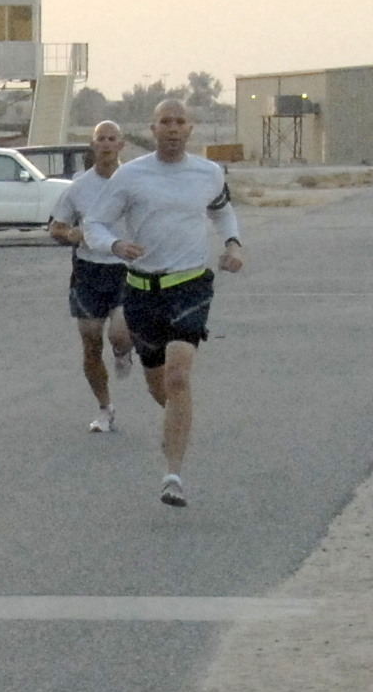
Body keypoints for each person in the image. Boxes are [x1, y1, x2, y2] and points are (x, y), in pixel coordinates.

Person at [75, 100, 246, 505]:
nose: (172, 129)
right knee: (161, 386)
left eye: (179, 122)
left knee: (178, 376)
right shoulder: (131, 176)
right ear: (152, 129)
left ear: (191, 129)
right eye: (164, 122)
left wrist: (233, 243)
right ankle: (177, 422)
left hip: (189, 284)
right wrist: (114, 243)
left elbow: (222, 212)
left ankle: (173, 476)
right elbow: (94, 223)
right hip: (141, 289)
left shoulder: (208, 172)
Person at [39, 117, 134, 432]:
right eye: (100, 139)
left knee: (118, 333)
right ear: (93, 146)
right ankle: (105, 408)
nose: (106, 145)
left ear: (121, 145)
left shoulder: (134, 181)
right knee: (91, 342)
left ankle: (123, 351)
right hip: (89, 271)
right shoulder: (78, 187)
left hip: (126, 269)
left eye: (112, 139)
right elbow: (55, 227)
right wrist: (71, 234)